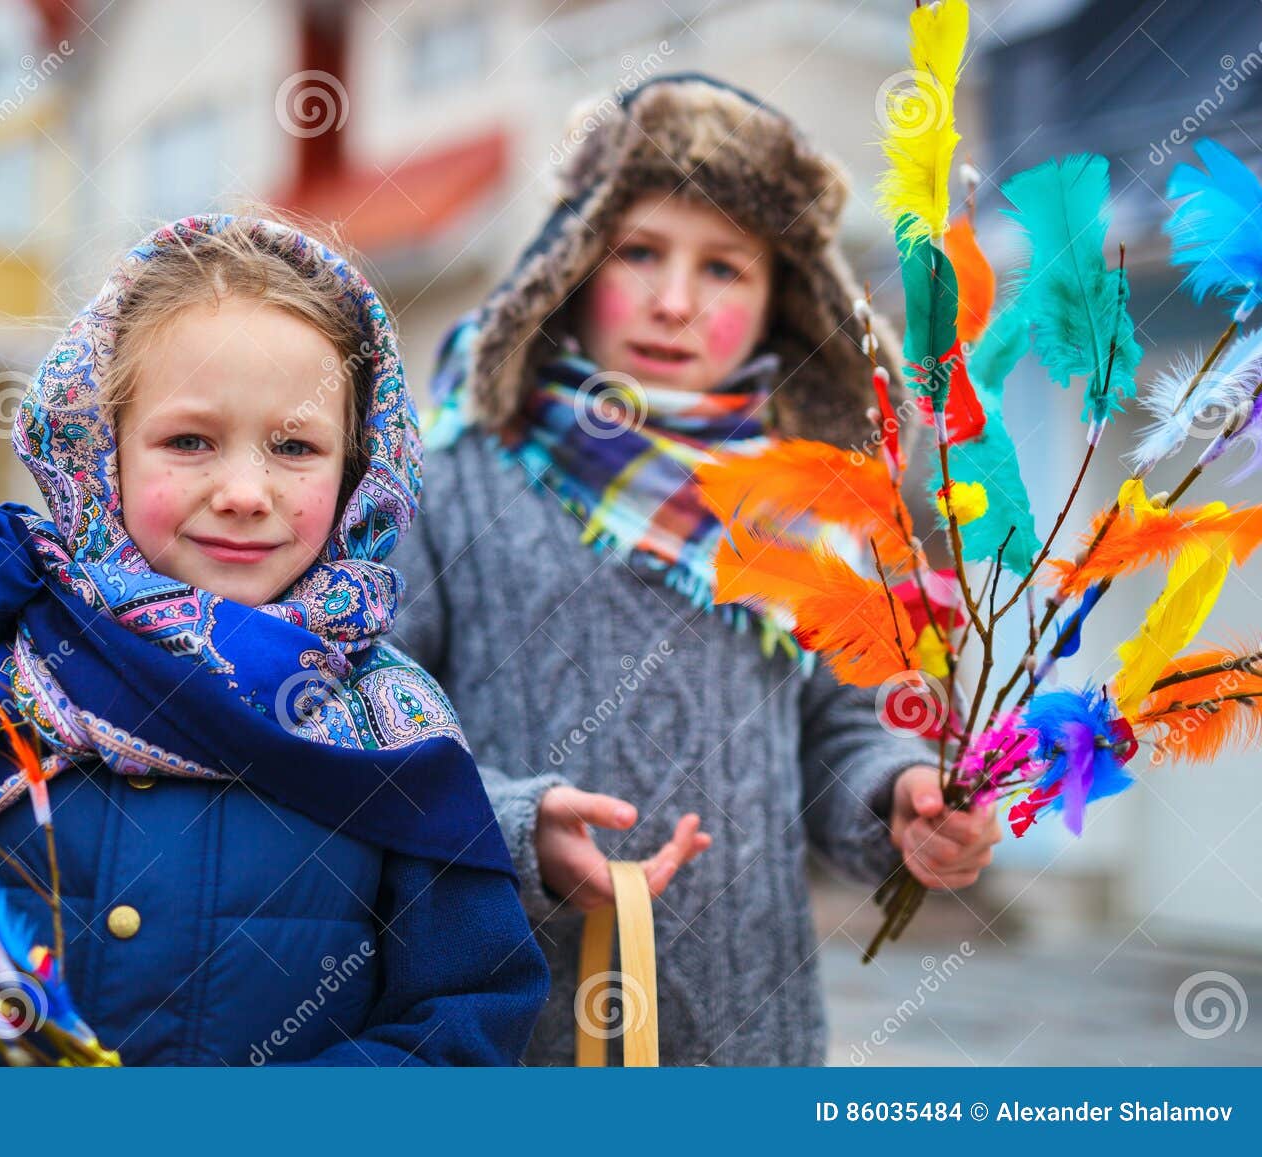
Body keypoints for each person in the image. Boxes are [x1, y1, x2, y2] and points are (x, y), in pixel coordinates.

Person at [0, 213, 549, 1066]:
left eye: (295, 446)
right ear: (101, 450)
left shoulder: (391, 725)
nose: (243, 489)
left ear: (358, 468)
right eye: (190, 440)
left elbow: (466, 1019)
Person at [388, 75, 999, 1066]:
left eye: (723, 267)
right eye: (639, 252)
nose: (675, 301)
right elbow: (375, 720)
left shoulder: (811, 506)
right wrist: (513, 823)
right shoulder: (454, 474)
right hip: (503, 1031)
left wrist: (901, 799)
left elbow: (840, 727)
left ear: (779, 305)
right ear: (572, 265)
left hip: (749, 1041)